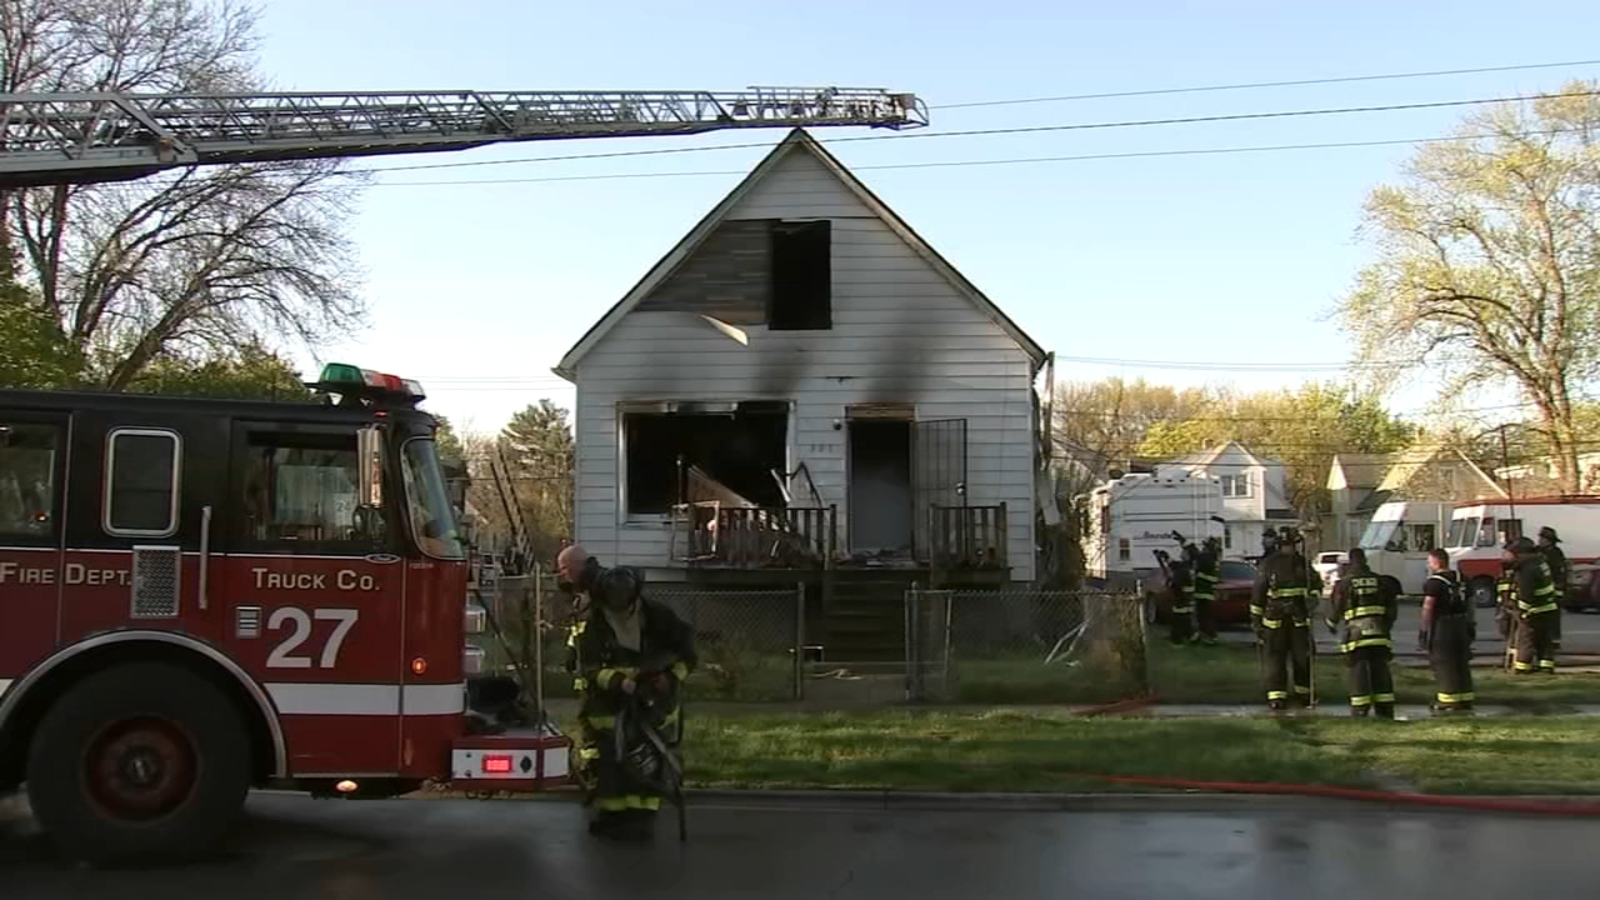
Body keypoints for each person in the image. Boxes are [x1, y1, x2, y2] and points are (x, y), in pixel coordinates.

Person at [559, 544, 698, 840]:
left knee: (645, 760)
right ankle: (613, 816)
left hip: (652, 705)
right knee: (607, 762)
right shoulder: (596, 621)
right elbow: (589, 666)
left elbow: (688, 655)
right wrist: (620, 681)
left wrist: (669, 679)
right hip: (606, 706)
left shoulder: (659, 618)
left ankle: (641, 819)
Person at [1252, 526, 1322, 711]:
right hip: (1276, 620)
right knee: (1276, 660)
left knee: (1302, 659)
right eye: (1287, 545)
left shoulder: (1302, 564)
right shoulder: (1269, 564)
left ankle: (1303, 694)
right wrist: (1256, 622)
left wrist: (1312, 599)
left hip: (1298, 619)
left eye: (1292, 545)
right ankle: (1277, 697)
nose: (1290, 548)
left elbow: (1316, 585)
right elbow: (1258, 595)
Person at [1325, 548, 1397, 718]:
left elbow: (1335, 610)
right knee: (1381, 670)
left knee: (1359, 671)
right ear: (1365, 561)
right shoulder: (1381, 582)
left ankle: (1360, 708)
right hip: (1380, 633)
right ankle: (1385, 708)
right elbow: (1392, 610)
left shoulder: (1344, 583)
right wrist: (1386, 626)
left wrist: (1331, 623)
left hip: (1356, 636)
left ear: (1351, 562)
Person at [1418, 547, 1474, 713]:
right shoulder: (1463, 578)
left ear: (1436, 562)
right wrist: (1471, 624)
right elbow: (1471, 604)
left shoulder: (1434, 582)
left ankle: (1448, 701)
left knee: (1444, 663)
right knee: (1461, 662)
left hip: (1443, 625)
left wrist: (1424, 629)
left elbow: (1428, 607)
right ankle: (1465, 698)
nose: (1428, 565)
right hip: (1462, 623)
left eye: (1429, 561)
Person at [1506, 536, 1560, 674]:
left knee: (1526, 638)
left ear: (1520, 553)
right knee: (1544, 639)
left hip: (1534, 609)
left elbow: (1526, 595)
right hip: (1547, 607)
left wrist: (1522, 612)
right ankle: (1546, 665)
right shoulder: (1540, 562)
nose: (1509, 555)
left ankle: (1523, 667)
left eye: (1512, 553)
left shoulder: (1526, 569)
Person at [1537, 526, 1568, 651]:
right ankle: (1543, 639)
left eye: (1542, 538)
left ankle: (1554, 640)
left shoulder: (1555, 553)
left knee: (1553, 617)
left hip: (1554, 590)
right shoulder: (1539, 551)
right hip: (1543, 590)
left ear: (1548, 540)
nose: (1539, 540)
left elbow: (1560, 572)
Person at [1189, 536, 1223, 645]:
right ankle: (1206, 636)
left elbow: (1197, 556)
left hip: (1204, 593)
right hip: (1205, 592)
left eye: (1205, 546)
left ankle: (1210, 637)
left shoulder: (1207, 559)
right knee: (1204, 616)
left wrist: (1188, 546)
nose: (1203, 548)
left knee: (1204, 617)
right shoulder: (1212, 558)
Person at [1163, 537, 1195, 646]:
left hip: (1183, 597)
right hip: (1183, 597)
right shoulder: (1185, 565)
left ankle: (1179, 639)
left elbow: (1179, 580)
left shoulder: (1186, 568)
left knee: (1179, 619)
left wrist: (1173, 584)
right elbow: (1173, 565)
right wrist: (1166, 557)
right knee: (1183, 620)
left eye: (1184, 552)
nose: (1182, 553)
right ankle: (1190, 636)